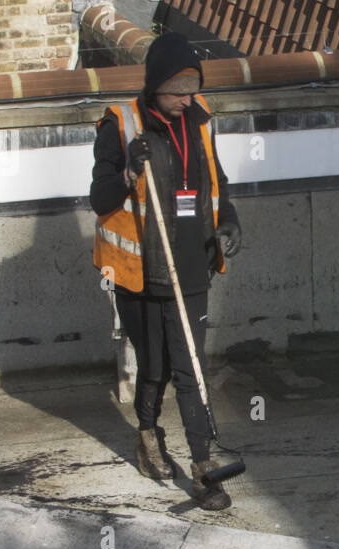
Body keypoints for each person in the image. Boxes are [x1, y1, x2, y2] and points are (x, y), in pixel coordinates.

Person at [89, 32, 241, 511]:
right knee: (153, 365)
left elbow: (217, 179)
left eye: (191, 89)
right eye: (176, 91)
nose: (185, 99)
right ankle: (149, 435)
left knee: (191, 369)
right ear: (154, 86)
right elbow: (100, 199)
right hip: (141, 270)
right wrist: (129, 172)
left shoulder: (200, 121)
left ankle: (203, 469)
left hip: (192, 267)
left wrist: (229, 219)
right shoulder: (122, 125)